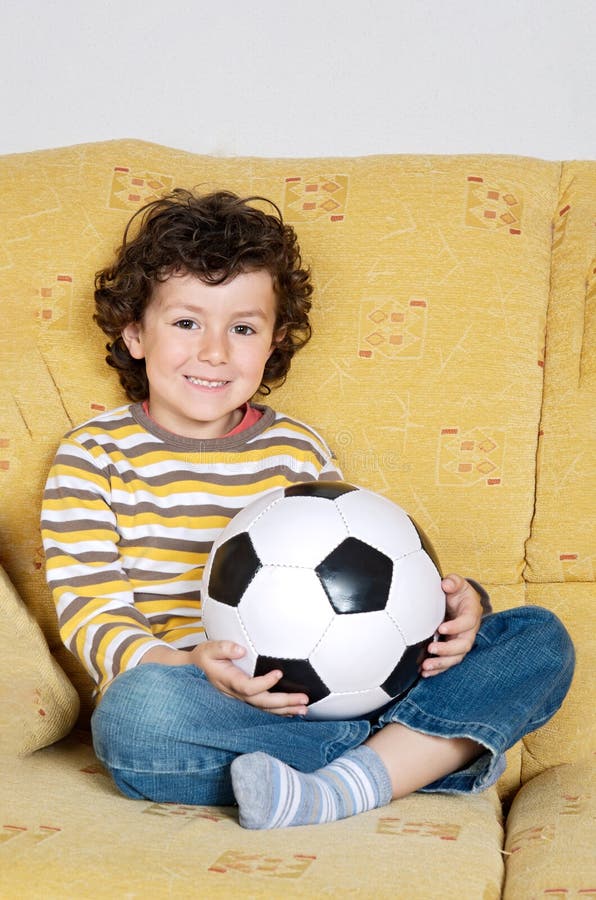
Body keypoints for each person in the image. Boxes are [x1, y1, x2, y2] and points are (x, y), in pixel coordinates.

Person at [41, 189, 574, 830]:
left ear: (273, 342)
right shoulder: (93, 455)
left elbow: (363, 579)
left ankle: (339, 784)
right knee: (136, 716)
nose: (214, 351)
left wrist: (451, 611)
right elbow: (92, 613)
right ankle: (401, 761)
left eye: (243, 328)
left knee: (537, 637)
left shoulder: (296, 449)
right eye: (186, 323)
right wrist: (183, 665)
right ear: (134, 333)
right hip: (205, 704)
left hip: (349, 688)